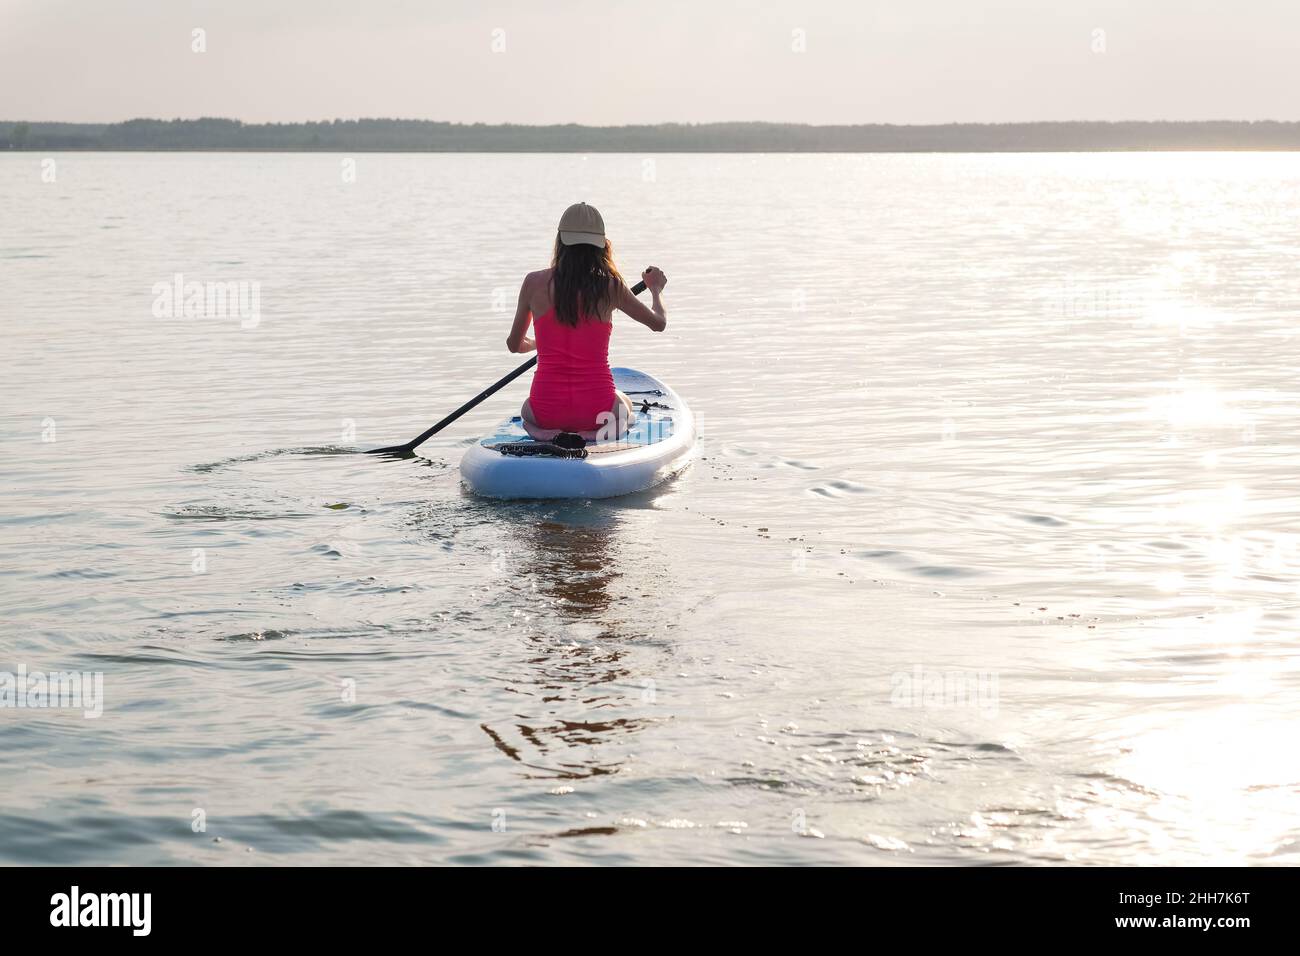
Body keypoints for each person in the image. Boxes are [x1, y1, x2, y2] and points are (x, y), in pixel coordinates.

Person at [506, 202, 667, 441]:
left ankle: (544, 433)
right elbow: (658, 323)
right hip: (597, 412)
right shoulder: (612, 286)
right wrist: (655, 289)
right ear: (601, 245)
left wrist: (536, 344)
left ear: (561, 242)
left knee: (526, 411)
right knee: (625, 405)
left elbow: (514, 345)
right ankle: (592, 435)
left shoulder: (533, 283)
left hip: (547, 411)